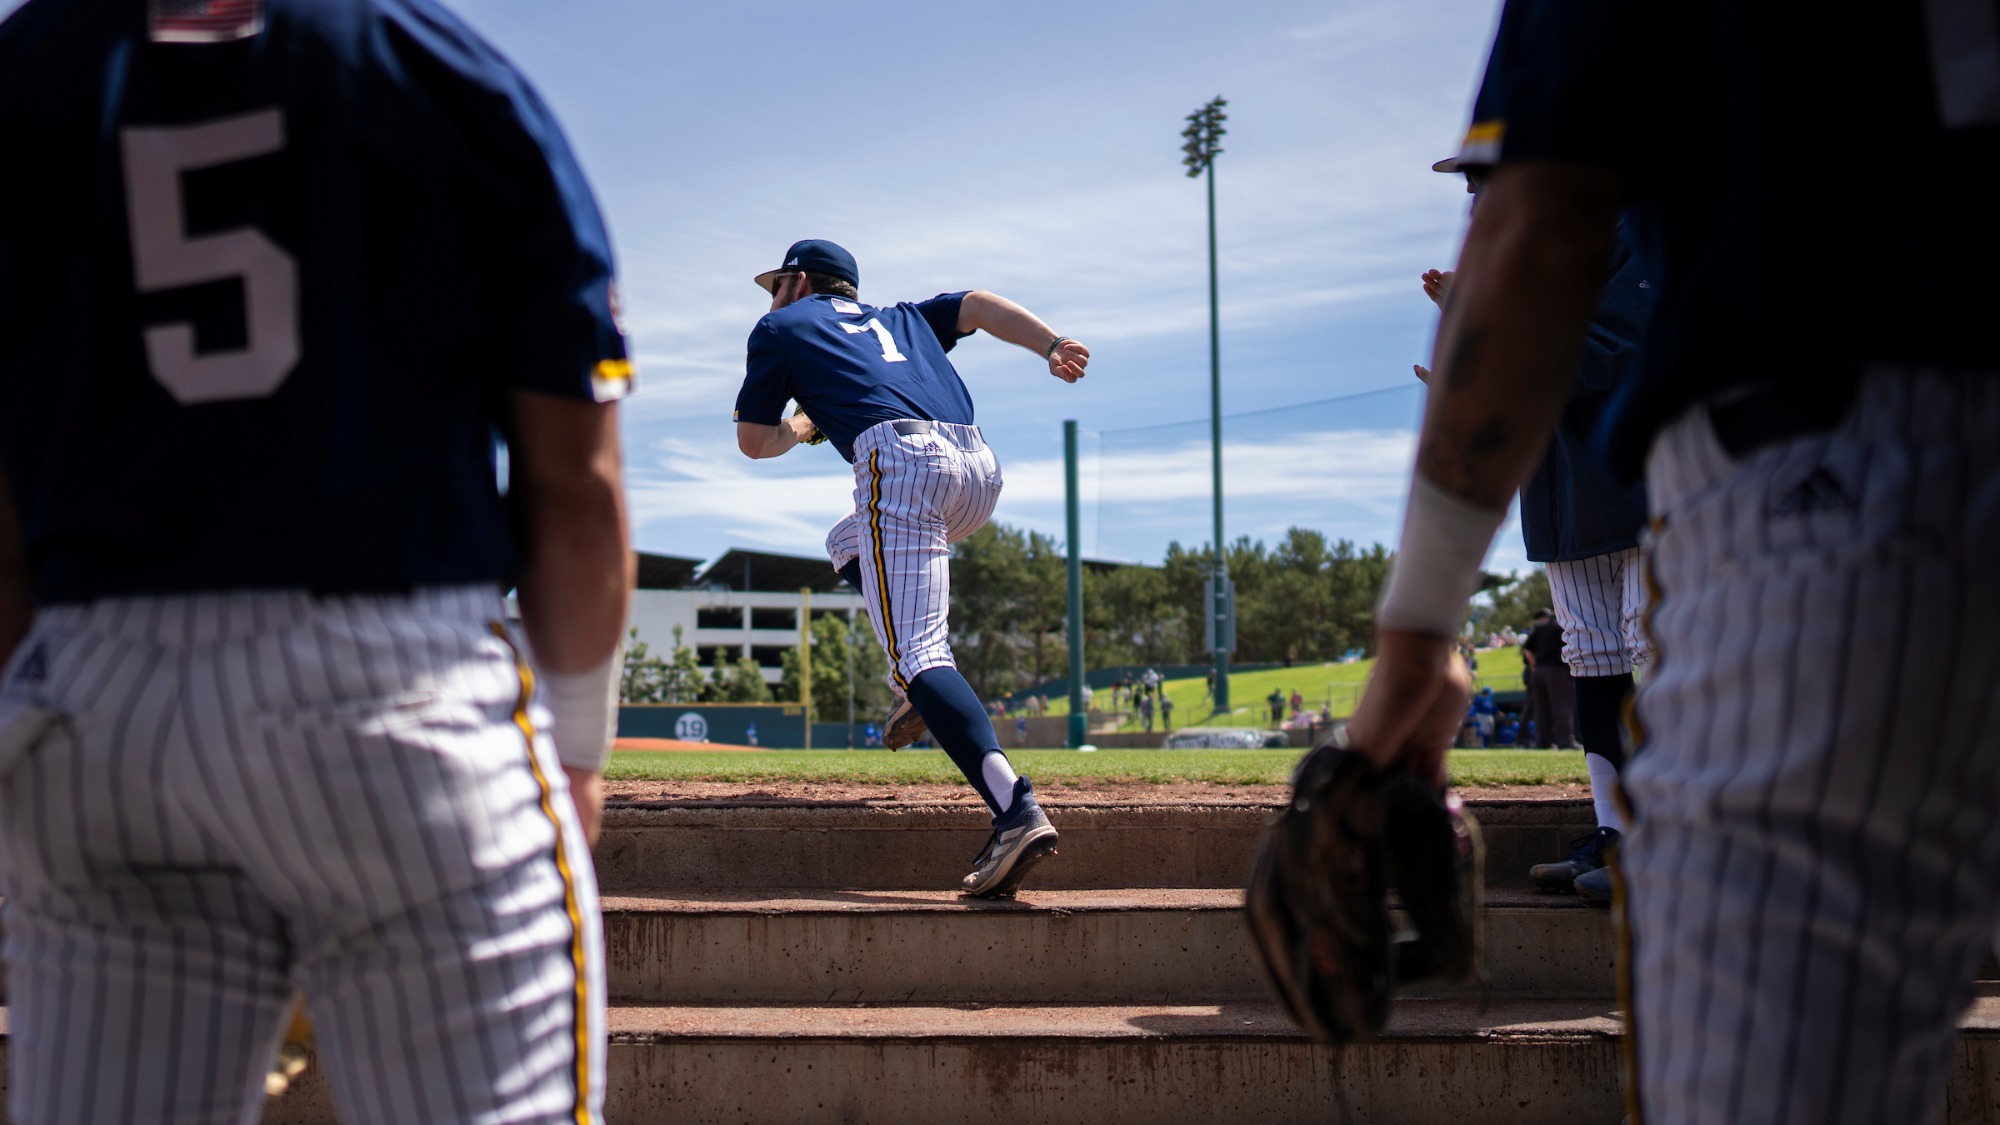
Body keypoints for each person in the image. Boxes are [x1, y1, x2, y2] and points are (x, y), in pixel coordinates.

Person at [1347, 2, 2000, 1120]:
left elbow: (1536, 226)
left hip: (1849, 462)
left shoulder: (1615, 249)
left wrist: (1416, 636)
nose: (1467, 192)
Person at [0, 0, 631, 1119]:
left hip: (90, 698)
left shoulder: (27, 58)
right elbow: (575, 495)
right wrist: (576, 749)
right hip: (392, 694)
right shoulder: (437, 63)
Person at [732, 239, 1087, 898]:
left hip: (904, 466)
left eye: (777, 283)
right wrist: (1050, 343)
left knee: (921, 654)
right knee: (847, 540)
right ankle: (920, 690)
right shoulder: (900, 318)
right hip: (977, 471)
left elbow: (755, 441)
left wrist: (802, 422)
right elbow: (977, 305)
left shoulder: (781, 324)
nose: (772, 296)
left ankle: (1015, 810)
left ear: (801, 281)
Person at [1420, 158, 1652, 889]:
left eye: (1487, 178)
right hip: (1561, 485)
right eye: (1470, 183)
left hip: (1640, 476)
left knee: (1653, 647)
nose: (1475, 195)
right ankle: (1616, 832)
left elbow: (1620, 350)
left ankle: (1671, 833)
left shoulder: (1626, 229)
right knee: (1591, 655)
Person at [1520, 609, 1576, 749]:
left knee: (1541, 709)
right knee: (1562, 705)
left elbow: (1527, 649)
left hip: (1539, 671)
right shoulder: (1564, 625)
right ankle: (1565, 741)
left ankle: (1543, 742)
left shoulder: (1541, 627)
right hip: (1558, 670)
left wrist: (1534, 666)